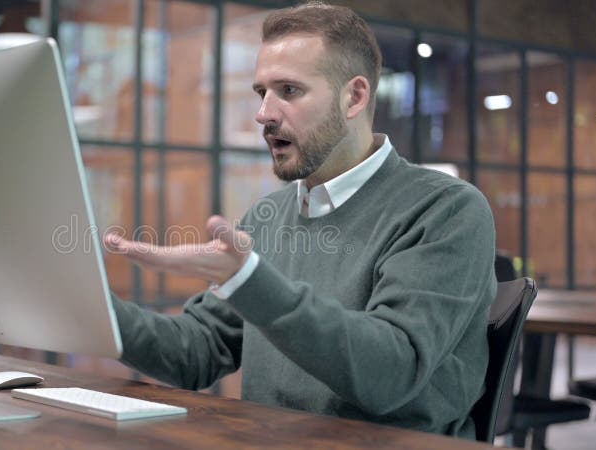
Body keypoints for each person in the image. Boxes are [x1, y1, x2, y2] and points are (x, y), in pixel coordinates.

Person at [103, 1, 496, 440]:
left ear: (354, 97)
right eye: (262, 92)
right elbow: (195, 353)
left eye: (289, 90)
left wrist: (249, 281)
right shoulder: (268, 217)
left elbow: (390, 374)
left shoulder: (445, 209)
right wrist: (92, 304)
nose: (264, 113)